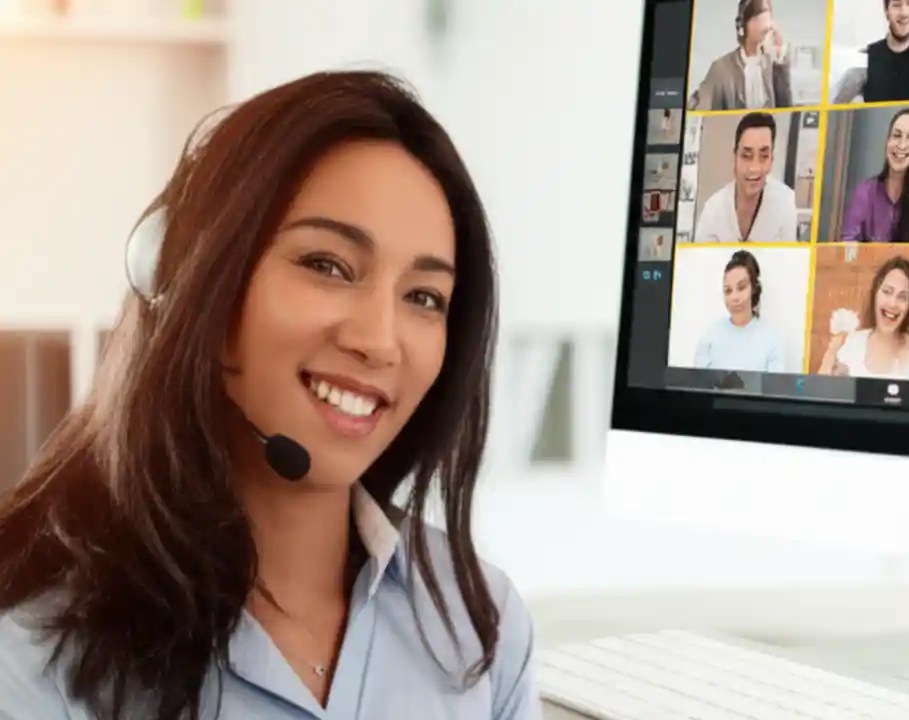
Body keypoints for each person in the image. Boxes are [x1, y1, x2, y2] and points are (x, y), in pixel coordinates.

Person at [0, 72, 539, 719]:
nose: (379, 341)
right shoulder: (33, 651)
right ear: (183, 275)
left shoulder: (479, 627)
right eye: (327, 265)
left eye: (424, 297)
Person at [817, 255, 909, 380]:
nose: (892, 303)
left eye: (902, 297)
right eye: (887, 291)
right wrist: (830, 354)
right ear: (875, 294)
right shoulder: (849, 345)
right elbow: (821, 393)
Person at [694, 113, 799, 242]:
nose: (754, 168)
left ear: (772, 160)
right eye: (746, 156)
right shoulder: (713, 210)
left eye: (764, 156)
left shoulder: (786, 203)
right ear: (734, 158)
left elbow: (788, 259)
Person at [840, 108, 909, 242]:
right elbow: (848, 239)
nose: (902, 145)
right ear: (887, 140)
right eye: (897, 135)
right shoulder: (865, 191)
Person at [831, 0, 909, 104]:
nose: (904, 12)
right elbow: (833, 109)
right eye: (897, 4)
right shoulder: (867, 56)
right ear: (887, 11)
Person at [690, 0, 794, 111]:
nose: (766, 21)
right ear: (743, 25)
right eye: (759, 14)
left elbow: (787, 111)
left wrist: (780, 59)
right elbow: (698, 108)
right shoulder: (721, 68)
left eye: (767, 12)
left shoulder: (775, 66)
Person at [694, 250, 785, 373]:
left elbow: (774, 389)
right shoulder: (709, 336)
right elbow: (697, 385)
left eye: (741, 288)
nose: (734, 297)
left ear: (753, 288)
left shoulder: (771, 340)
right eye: (728, 290)